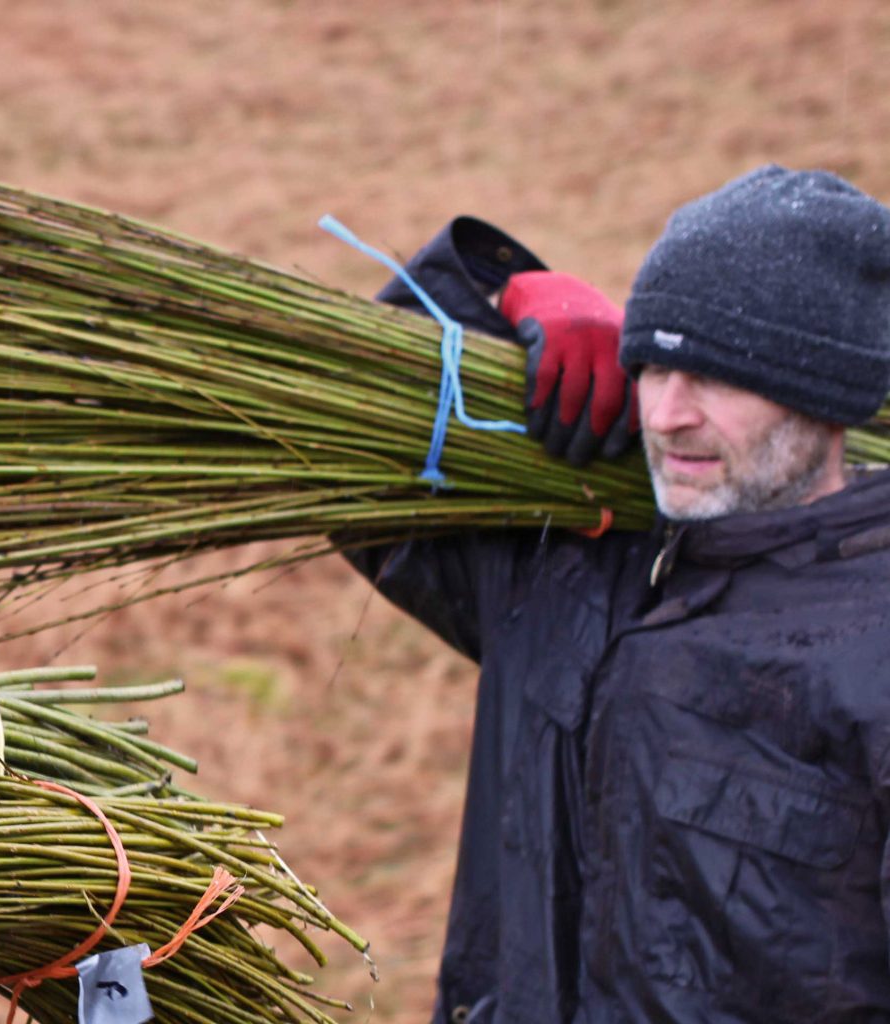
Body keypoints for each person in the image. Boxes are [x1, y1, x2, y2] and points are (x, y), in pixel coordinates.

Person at [345, 165, 890, 1023]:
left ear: (824, 395)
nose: (666, 415)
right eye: (651, 365)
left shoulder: (872, 648)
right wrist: (503, 286)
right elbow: (363, 460)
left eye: (715, 376)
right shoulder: (567, 564)